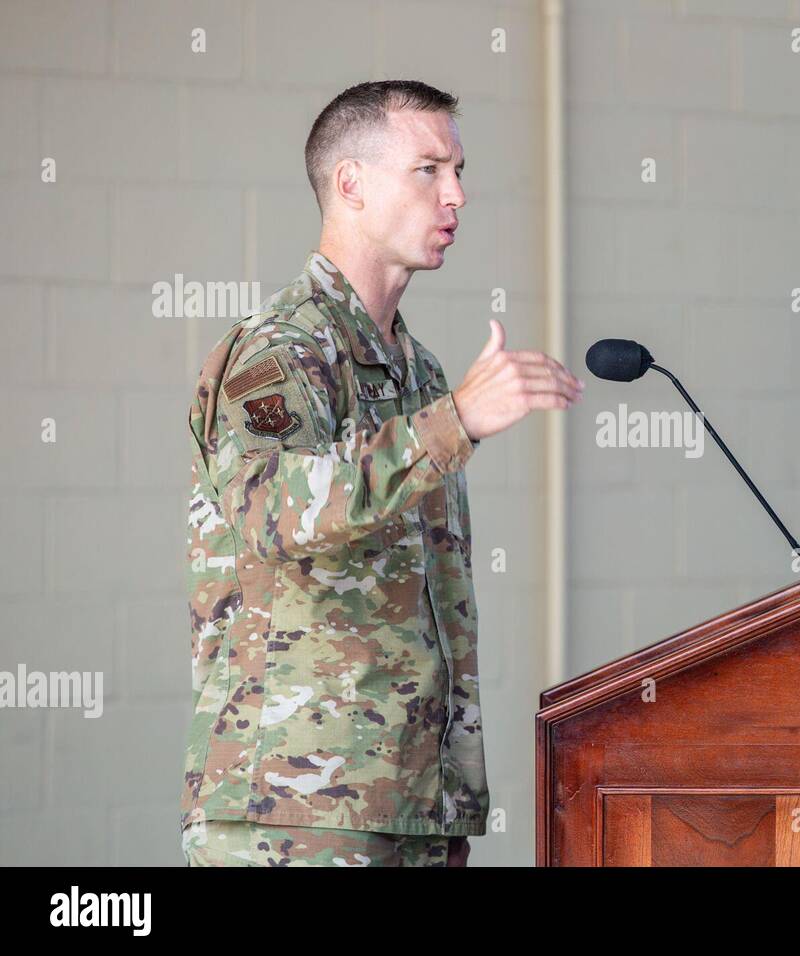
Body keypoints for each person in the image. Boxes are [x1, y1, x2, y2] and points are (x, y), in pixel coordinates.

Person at [180, 80, 582, 867]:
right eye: (428, 169)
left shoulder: (419, 371)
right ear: (351, 185)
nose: (457, 194)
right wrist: (454, 422)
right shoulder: (277, 351)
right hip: (295, 811)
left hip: (417, 806)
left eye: (459, 170)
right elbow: (278, 515)